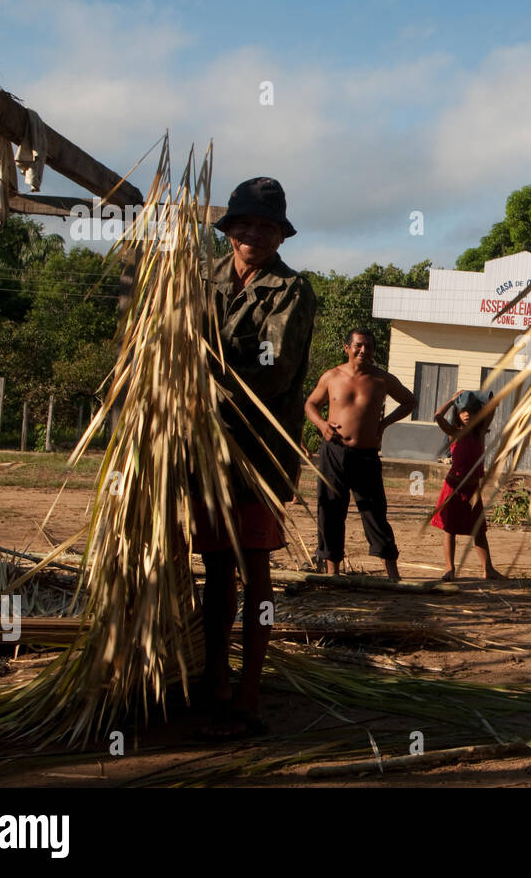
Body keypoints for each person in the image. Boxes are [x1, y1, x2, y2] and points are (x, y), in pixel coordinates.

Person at [194, 176, 315, 740]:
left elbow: (274, 369)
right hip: (202, 451)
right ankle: (214, 681)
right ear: (230, 228)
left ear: (280, 235)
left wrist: (200, 383)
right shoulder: (201, 279)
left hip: (258, 454)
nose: (254, 234)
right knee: (216, 567)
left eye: (266, 226)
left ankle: (249, 692)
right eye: (245, 224)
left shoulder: (292, 291)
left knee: (254, 567)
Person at [304, 329, 415, 580]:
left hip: (366, 455)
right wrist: (322, 425)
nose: (364, 351)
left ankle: (392, 573)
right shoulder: (332, 376)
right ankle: (333, 572)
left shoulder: (381, 379)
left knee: (375, 511)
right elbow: (310, 404)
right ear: (347, 348)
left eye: (369, 347)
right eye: (359, 346)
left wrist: (384, 423)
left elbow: (410, 401)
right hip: (334, 453)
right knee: (331, 510)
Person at [431, 390, 505, 581]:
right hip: (453, 489)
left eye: (470, 411)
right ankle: (450, 569)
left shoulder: (479, 433)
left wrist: (485, 398)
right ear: (457, 413)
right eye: (462, 411)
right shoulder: (454, 433)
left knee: (478, 530)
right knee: (450, 529)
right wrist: (451, 399)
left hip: (472, 490)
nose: (466, 414)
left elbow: (493, 407)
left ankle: (488, 569)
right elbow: (438, 416)